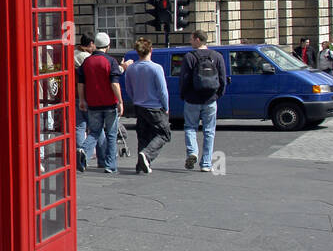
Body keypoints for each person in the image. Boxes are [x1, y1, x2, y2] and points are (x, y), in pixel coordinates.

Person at [76, 31, 124, 174]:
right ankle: (110, 165)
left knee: (94, 132)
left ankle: (84, 150)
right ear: (108, 46)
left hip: (92, 103)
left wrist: (82, 100)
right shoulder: (111, 61)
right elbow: (114, 84)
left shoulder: (87, 62)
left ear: (95, 45)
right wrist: (120, 101)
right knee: (111, 134)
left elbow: (81, 84)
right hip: (109, 103)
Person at [180, 28, 227, 172]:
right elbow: (222, 79)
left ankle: (192, 152)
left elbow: (184, 79)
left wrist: (184, 95)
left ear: (198, 40)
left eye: (191, 38)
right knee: (209, 131)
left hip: (192, 100)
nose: (190, 41)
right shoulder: (217, 56)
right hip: (210, 100)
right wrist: (218, 95)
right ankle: (206, 163)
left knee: (190, 127)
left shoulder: (189, 57)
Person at [122, 37, 171, 174]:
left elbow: (128, 88)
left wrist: (135, 99)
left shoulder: (131, 69)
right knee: (164, 133)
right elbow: (162, 90)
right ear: (151, 50)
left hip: (139, 106)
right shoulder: (156, 68)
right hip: (154, 106)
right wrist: (166, 107)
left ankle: (141, 165)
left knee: (143, 136)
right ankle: (147, 155)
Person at [73, 33, 96, 172]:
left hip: (74, 94)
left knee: (79, 127)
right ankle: (89, 153)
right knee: (96, 128)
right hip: (86, 95)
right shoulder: (87, 58)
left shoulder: (73, 54)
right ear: (91, 44)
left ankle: (80, 152)